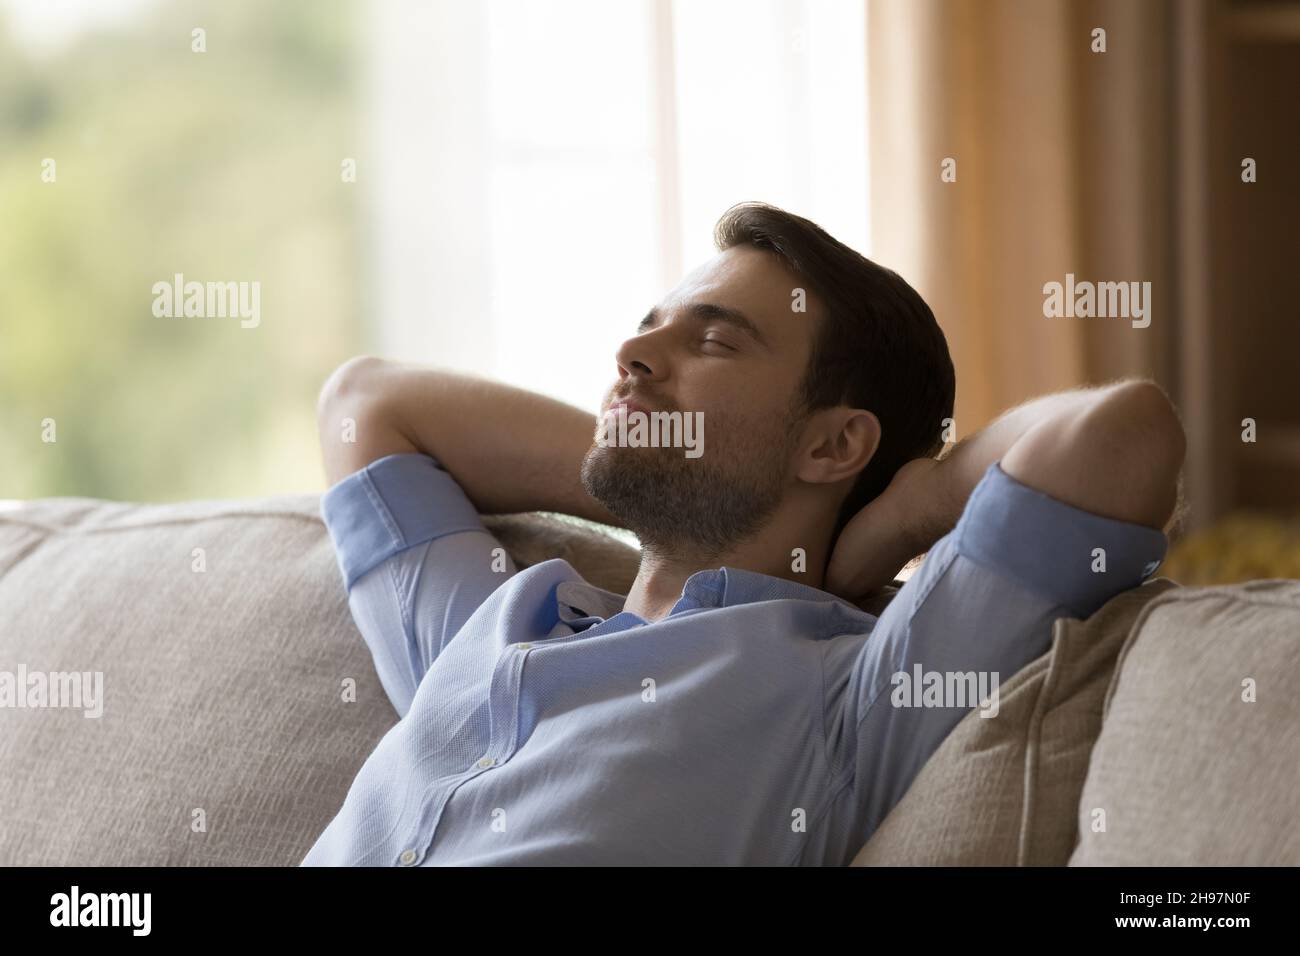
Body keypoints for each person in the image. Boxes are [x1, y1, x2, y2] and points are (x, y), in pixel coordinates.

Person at [300, 202, 1184, 866]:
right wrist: (654, 470)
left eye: (713, 343)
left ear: (835, 442)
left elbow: (1124, 435)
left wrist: (895, 521)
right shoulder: (503, 618)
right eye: (650, 329)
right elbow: (365, 404)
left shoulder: (843, 692)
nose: (633, 355)